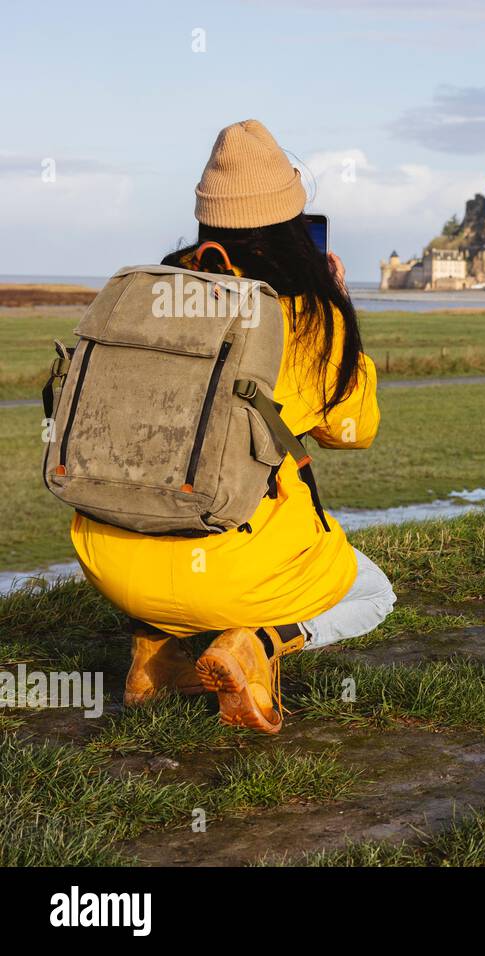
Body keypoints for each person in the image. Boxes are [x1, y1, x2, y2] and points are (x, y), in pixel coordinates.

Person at [71, 119, 395, 733]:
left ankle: (156, 654)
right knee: (373, 594)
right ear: (292, 228)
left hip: (109, 555)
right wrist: (340, 312)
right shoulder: (302, 314)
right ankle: (258, 643)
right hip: (228, 566)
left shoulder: (151, 293)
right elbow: (355, 429)